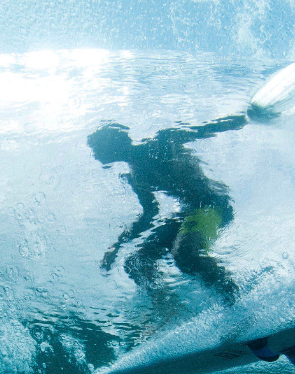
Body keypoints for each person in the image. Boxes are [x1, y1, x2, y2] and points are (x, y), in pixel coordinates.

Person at [88, 115, 247, 305]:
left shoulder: (161, 142)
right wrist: (118, 245)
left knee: (185, 255)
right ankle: (167, 307)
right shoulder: (137, 176)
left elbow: (206, 129)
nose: (94, 154)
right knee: (136, 262)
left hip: (212, 203)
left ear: (111, 144)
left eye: (95, 148)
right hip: (189, 212)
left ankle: (236, 301)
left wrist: (246, 118)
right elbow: (149, 214)